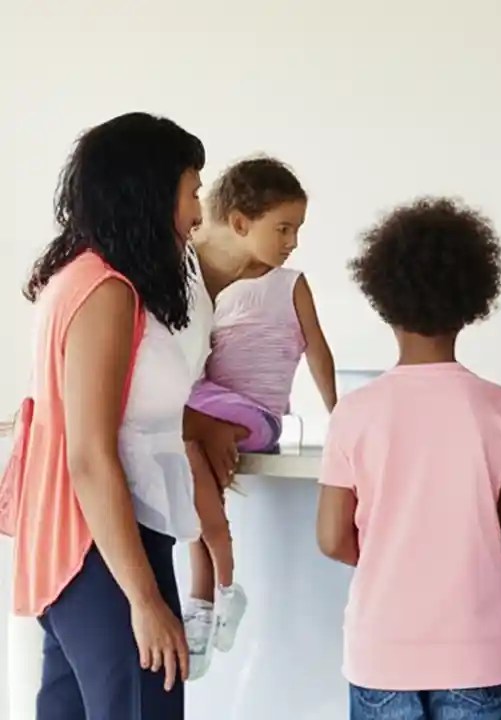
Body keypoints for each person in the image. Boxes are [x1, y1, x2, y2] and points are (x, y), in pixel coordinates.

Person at [4, 112, 243, 719]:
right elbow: (88, 453)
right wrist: (143, 598)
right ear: (151, 194)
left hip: (105, 538)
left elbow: (127, 407)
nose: (197, 212)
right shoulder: (105, 291)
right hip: (99, 544)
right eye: (192, 193)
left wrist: (199, 422)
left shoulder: (89, 278)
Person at [316, 197, 501, 720]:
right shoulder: (499, 407)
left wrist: (393, 553)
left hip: (381, 651)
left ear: (385, 302)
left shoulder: (355, 412)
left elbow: (331, 539)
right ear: (470, 304)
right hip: (474, 654)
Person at [181, 156, 338, 680]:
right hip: (209, 405)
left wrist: (339, 416)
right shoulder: (200, 280)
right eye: (284, 228)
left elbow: (318, 351)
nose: (292, 240)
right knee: (190, 471)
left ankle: (225, 584)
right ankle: (204, 603)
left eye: (296, 229)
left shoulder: (289, 283)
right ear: (242, 223)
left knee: (187, 441)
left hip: (256, 417)